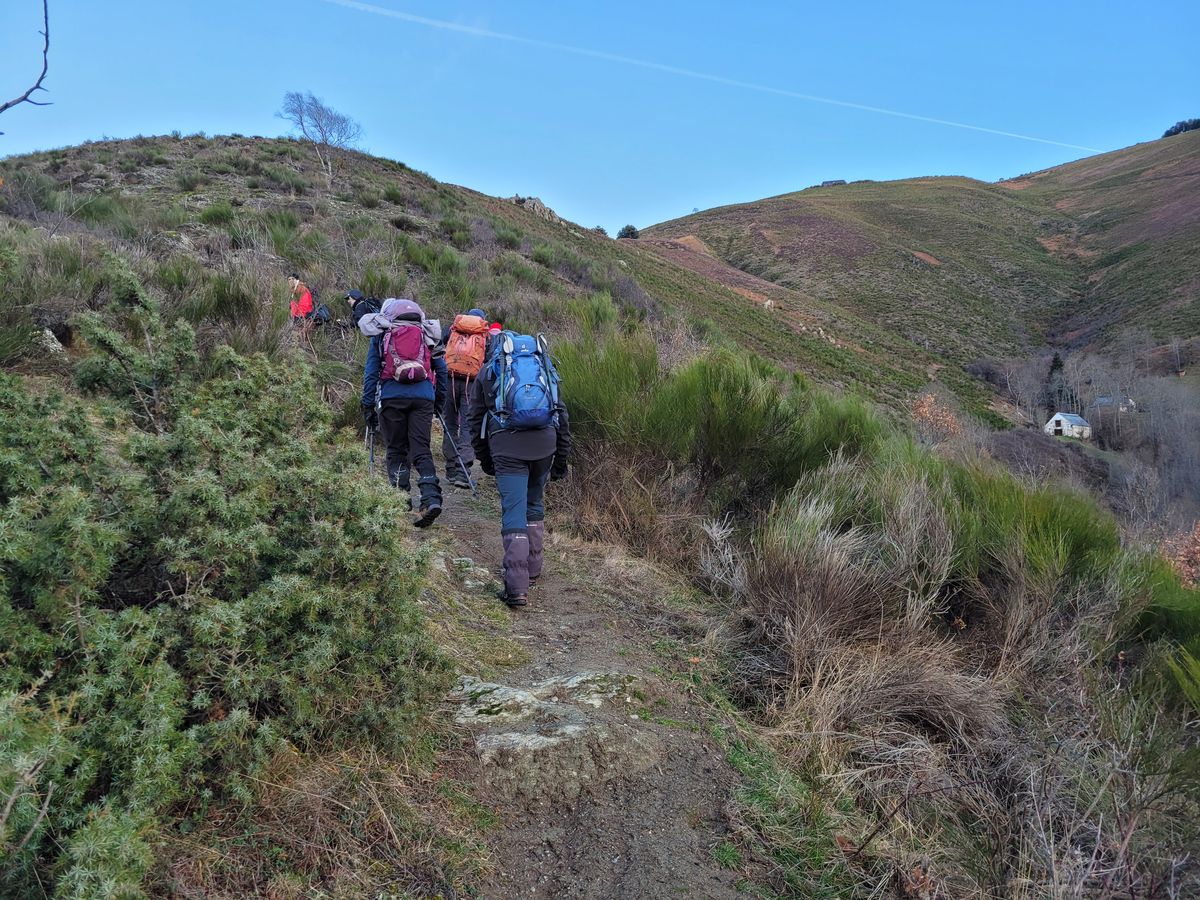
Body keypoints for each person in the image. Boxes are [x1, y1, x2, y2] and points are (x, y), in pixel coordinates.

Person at [469, 331, 571, 606]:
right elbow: (561, 416)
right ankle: (533, 571)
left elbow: (474, 419)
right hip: (544, 445)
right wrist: (560, 460)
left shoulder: (489, 372)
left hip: (507, 447)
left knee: (514, 511)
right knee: (534, 504)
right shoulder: (546, 371)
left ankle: (516, 588)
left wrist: (486, 459)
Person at [361, 299, 448, 526]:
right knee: (421, 448)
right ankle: (430, 498)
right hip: (423, 397)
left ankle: (400, 501)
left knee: (396, 448)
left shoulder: (382, 333)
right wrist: (438, 401)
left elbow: (371, 372)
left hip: (392, 396)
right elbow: (442, 370)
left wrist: (367, 405)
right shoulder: (427, 333)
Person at [442, 307, 490, 487]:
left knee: (450, 424)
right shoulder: (484, 335)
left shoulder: (453, 329)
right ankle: (463, 472)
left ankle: (450, 468)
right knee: (467, 426)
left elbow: (441, 350)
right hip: (472, 385)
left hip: (449, 380)